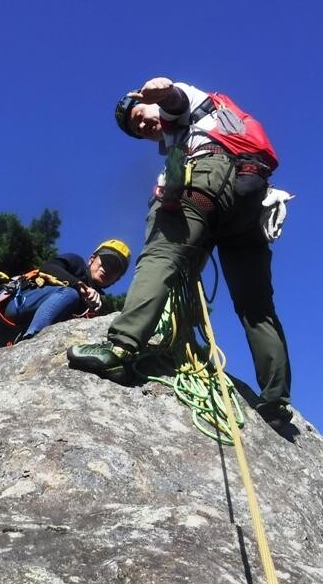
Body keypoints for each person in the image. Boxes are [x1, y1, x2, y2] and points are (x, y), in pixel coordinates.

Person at [67, 77, 295, 427]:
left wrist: (161, 92)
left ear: (147, 101)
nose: (143, 125)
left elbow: (173, 100)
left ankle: (121, 347)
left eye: (140, 115)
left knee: (161, 254)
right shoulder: (184, 140)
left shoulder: (184, 105)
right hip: (248, 198)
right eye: (138, 129)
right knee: (256, 306)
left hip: (210, 176)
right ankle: (276, 400)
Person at [0, 239, 131, 347]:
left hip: (8, 335)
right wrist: (79, 285)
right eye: (106, 262)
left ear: (116, 280)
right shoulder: (76, 265)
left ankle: (28, 339)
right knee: (70, 294)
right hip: (12, 309)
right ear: (91, 259)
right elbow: (48, 268)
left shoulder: (95, 304)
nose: (108, 269)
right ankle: (32, 342)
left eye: (115, 269)